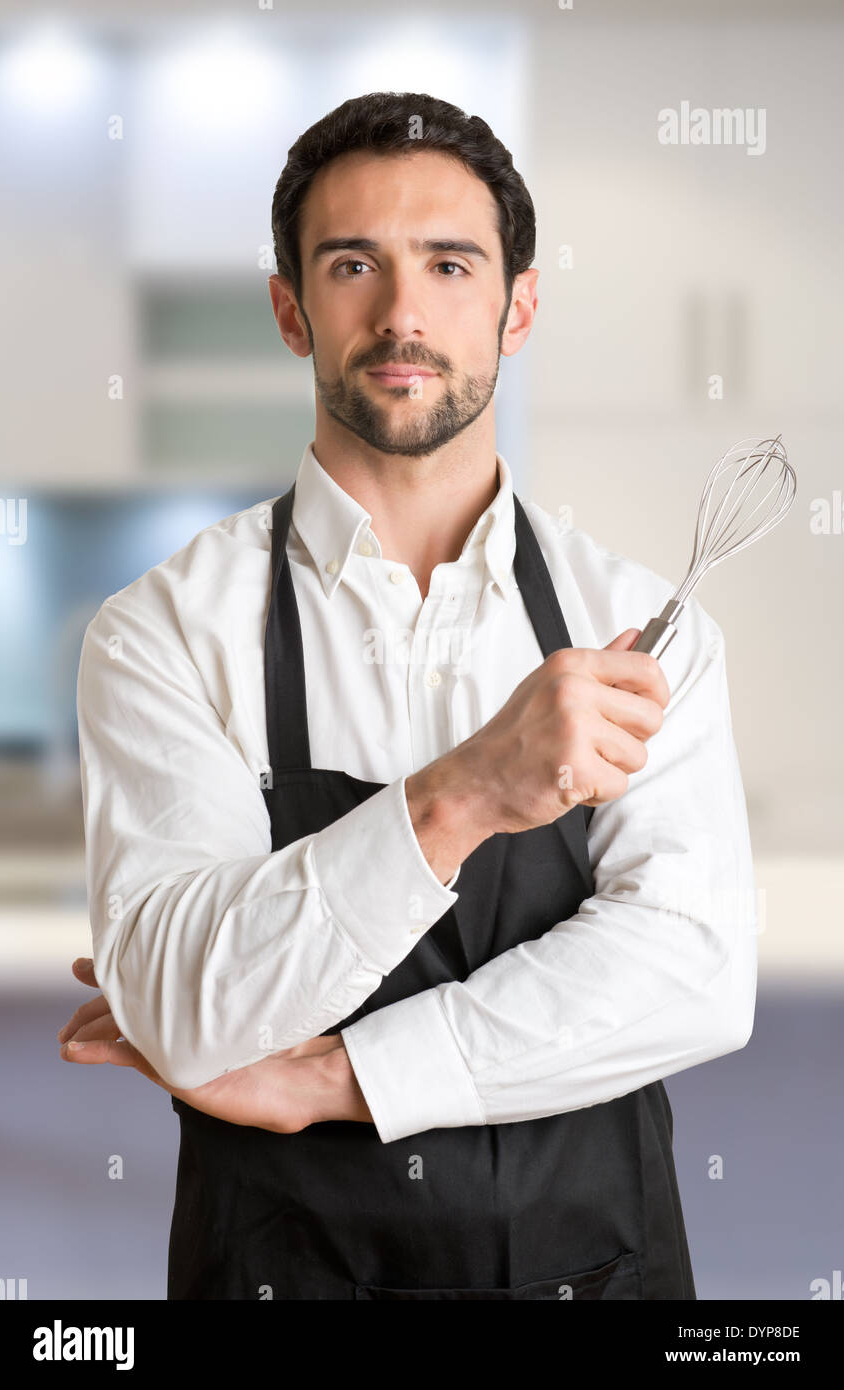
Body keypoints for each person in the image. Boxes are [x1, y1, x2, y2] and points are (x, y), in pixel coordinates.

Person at [58, 91, 757, 1300]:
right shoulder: (163, 633)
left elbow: (691, 970)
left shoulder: (648, 628)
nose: (403, 313)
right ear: (292, 309)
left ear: (517, 306)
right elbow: (182, 1004)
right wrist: (467, 793)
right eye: (351, 265)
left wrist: (338, 1076)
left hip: (598, 1270)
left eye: (449, 263)